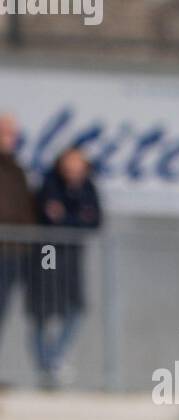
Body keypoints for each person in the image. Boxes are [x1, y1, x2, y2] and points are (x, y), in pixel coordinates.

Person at [29, 146, 101, 388]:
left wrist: (69, 218)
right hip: (48, 252)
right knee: (45, 306)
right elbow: (51, 218)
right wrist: (76, 218)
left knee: (76, 307)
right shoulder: (50, 184)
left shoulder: (87, 187)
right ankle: (45, 364)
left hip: (71, 255)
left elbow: (94, 220)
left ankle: (55, 358)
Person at [0, 114, 35, 361]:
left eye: (11, 133)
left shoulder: (17, 170)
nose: (8, 138)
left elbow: (26, 209)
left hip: (12, 252)